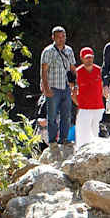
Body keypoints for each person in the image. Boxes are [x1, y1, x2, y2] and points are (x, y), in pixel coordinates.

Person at [39, 27, 75, 160]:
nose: (61, 39)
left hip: (65, 87)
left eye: (63, 36)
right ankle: (53, 141)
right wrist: (45, 87)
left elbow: (72, 68)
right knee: (52, 116)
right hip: (53, 87)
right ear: (53, 37)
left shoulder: (69, 50)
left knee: (66, 115)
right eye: (58, 37)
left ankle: (64, 139)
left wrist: (76, 84)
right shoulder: (48, 51)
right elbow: (44, 71)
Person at [71, 47, 105, 146]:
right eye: (86, 58)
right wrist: (80, 104)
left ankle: (94, 154)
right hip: (84, 108)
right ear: (81, 58)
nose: (89, 60)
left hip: (98, 107)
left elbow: (104, 88)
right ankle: (81, 152)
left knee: (95, 133)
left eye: (90, 57)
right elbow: (72, 93)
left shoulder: (100, 71)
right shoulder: (77, 72)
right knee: (82, 133)